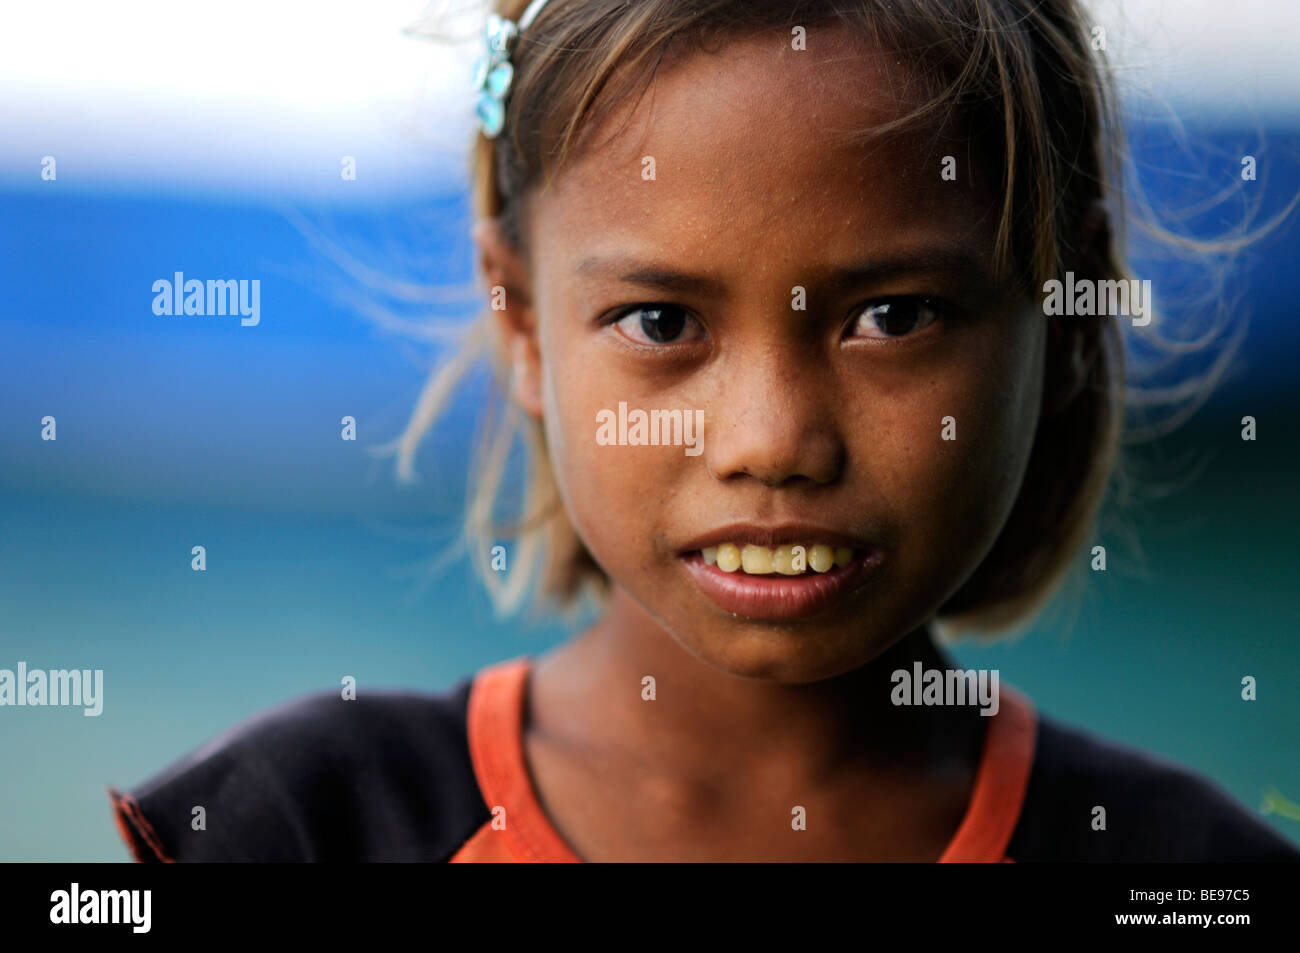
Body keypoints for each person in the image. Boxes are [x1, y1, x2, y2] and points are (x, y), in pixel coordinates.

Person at [109, 0, 1299, 862]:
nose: (772, 439)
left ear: (1067, 305)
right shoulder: (302, 821)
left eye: (891, 316)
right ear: (521, 319)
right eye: (661, 319)